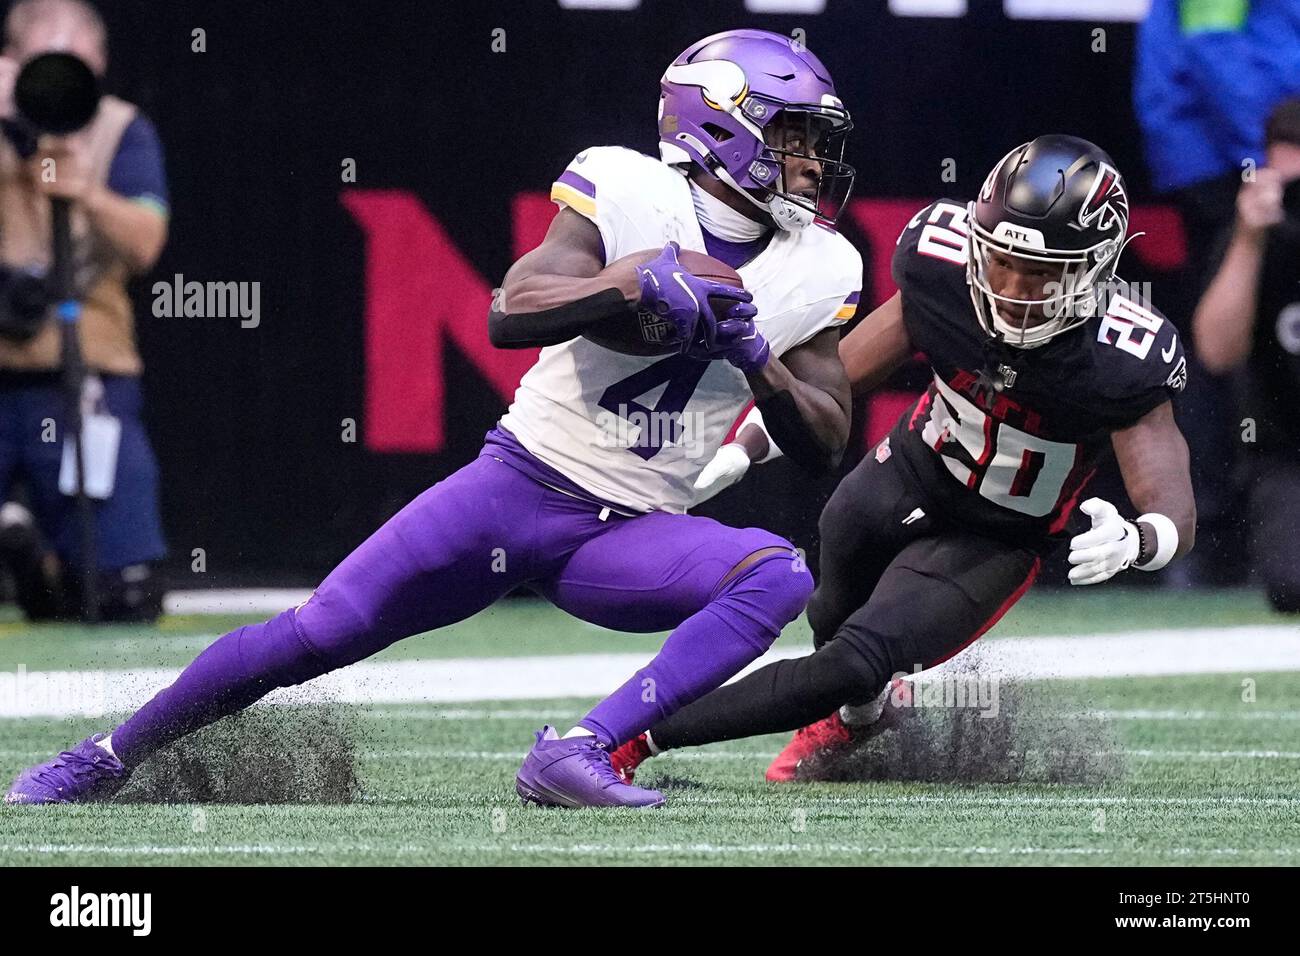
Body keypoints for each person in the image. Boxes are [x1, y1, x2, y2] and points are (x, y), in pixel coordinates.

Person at [6, 29, 862, 809]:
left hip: (633, 531)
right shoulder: (630, 186)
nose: (813, 164)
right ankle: (107, 756)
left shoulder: (823, 264)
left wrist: (757, 357)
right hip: (519, 486)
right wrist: (631, 281)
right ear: (720, 123)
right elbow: (512, 307)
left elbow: (825, 440)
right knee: (317, 633)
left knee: (777, 574)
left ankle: (580, 750)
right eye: (794, 138)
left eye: (819, 145)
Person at [611, 135, 1197, 784]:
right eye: (999, 260)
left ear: (1095, 267)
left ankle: (629, 740)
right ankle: (863, 721)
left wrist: (1140, 541)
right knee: (831, 598)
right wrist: (750, 443)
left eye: (1041, 273)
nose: (1011, 287)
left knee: (854, 661)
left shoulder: (1125, 356)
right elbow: (840, 378)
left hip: (999, 535)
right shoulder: (941, 269)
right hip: (910, 471)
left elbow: (1171, 504)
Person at [0, 0, 169, 621]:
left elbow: (147, 242)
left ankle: (43, 569)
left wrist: (88, 193)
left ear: (98, 64)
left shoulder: (122, 130)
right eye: (43, 60)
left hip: (84, 371)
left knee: (123, 595)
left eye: (74, 61)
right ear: (11, 62)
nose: (57, 77)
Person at [1192, 96, 1300, 613]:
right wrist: (1249, 239)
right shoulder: (1255, 239)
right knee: (1292, 583)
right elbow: (1216, 352)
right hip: (1286, 453)